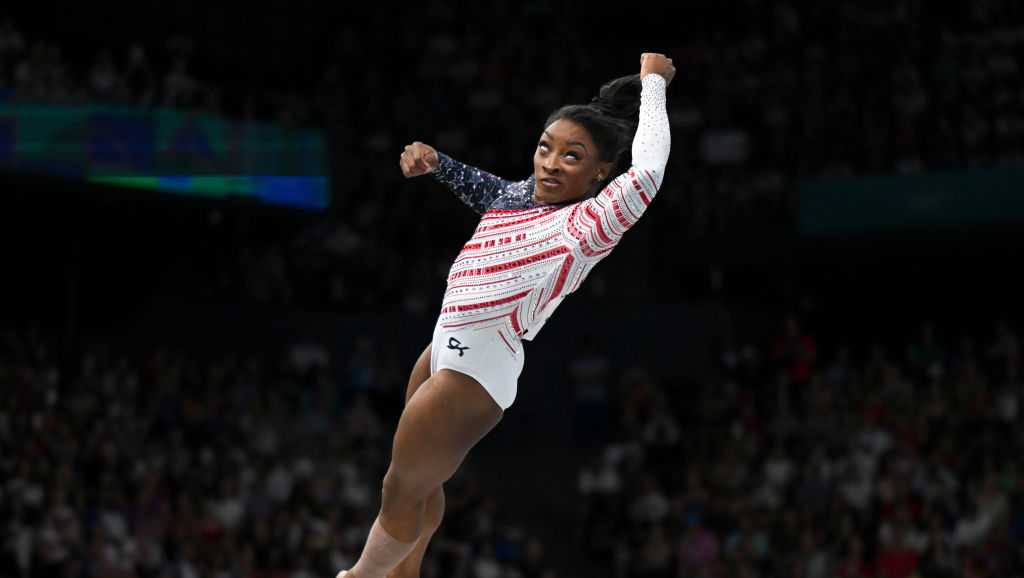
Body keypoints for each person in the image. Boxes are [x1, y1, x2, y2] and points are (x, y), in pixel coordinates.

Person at [337, 52, 675, 578]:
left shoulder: (589, 223)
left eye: (571, 157)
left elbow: (649, 171)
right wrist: (438, 164)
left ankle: (359, 577)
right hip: (446, 343)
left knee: (398, 487)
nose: (550, 163)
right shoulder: (522, 197)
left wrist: (653, 84)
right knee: (420, 483)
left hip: (479, 364)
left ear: (600, 173)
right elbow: (490, 191)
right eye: (545, 147)